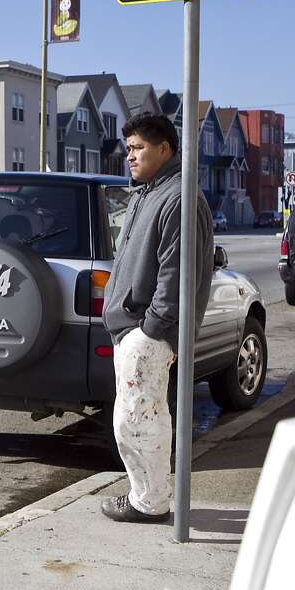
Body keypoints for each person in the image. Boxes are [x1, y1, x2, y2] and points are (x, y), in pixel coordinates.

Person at [99, 112, 213, 524]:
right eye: (127, 148)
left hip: (148, 332)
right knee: (133, 418)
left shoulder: (178, 198)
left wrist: (151, 329)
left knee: (138, 420)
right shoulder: (148, 192)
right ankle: (145, 494)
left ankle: (150, 502)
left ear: (164, 149)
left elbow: (176, 275)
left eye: (138, 148)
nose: (129, 156)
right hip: (132, 329)